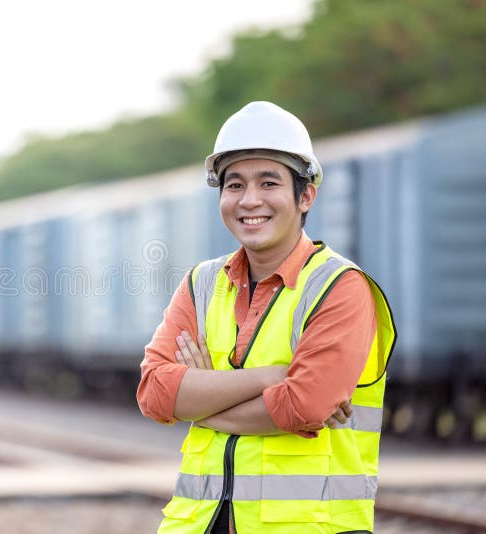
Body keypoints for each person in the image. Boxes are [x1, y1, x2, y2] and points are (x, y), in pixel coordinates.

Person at [137, 101, 396, 533]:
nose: (249, 200)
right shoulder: (202, 284)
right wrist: (270, 377)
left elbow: (303, 405)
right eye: (235, 185)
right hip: (199, 524)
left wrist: (201, 402)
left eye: (269, 182)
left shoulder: (339, 287)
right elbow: (154, 393)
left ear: (305, 195)